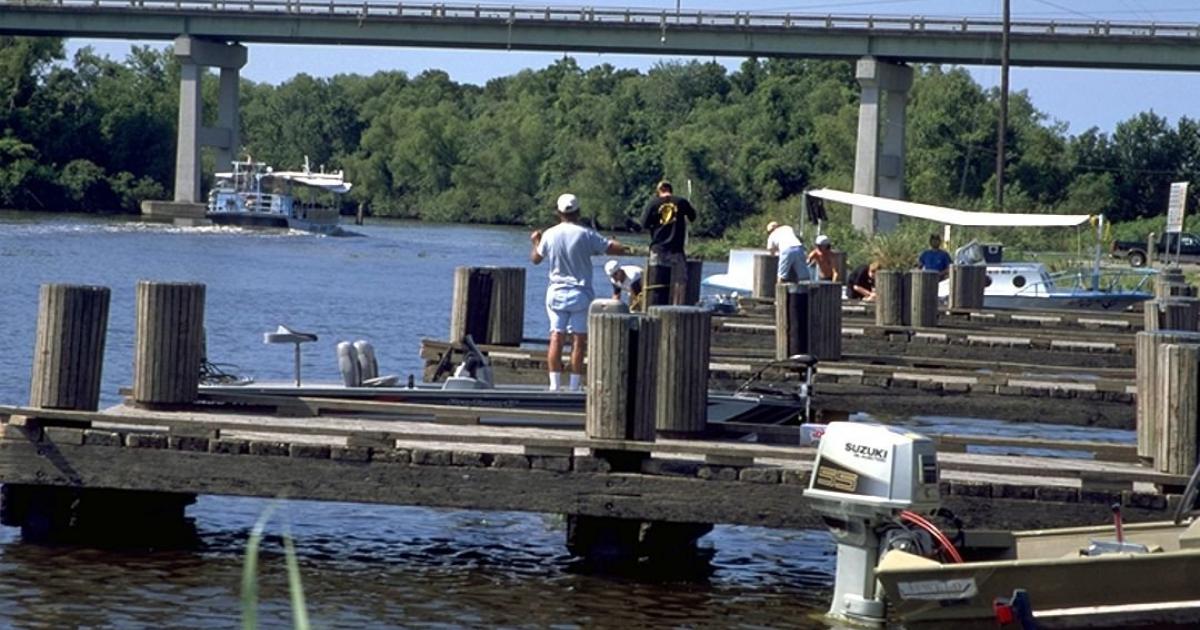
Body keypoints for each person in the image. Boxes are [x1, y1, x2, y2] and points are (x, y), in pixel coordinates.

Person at [531, 193, 626, 391]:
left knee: (556, 337)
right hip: (580, 293)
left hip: (556, 291)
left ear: (558, 213)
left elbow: (536, 259)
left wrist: (536, 241)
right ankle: (574, 386)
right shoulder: (586, 234)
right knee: (579, 340)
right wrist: (615, 242)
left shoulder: (549, 234)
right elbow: (615, 249)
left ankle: (554, 386)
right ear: (578, 212)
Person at [640, 180, 697, 304]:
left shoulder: (652, 203)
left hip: (658, 248)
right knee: (679, 284)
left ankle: (654, 308)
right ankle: (677, 309)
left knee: (656, 283)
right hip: (676, 249)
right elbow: (693, 216)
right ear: (671, 190)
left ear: (659, 191)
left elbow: (643, 224)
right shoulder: (681, 202)